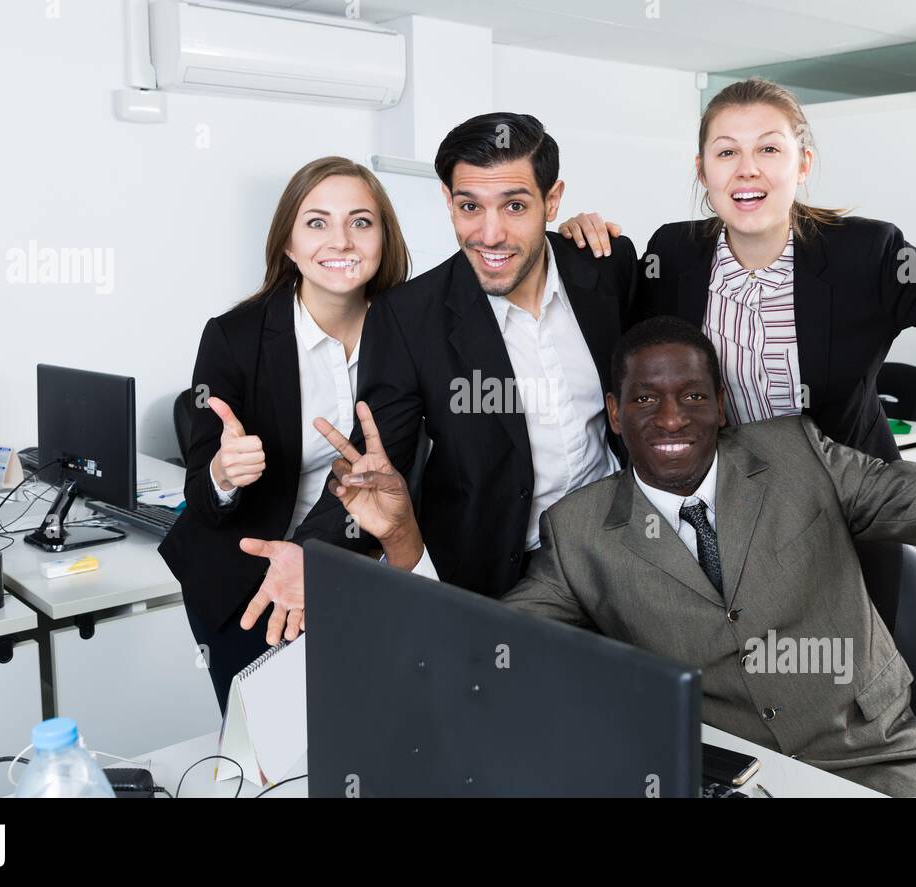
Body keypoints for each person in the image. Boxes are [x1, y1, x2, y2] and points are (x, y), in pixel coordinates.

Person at [254, 275, 916, 797]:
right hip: (716, 778)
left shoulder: (797, 454)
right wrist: (404, 540)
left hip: (871, 768)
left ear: (723, 406)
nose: (672, 417)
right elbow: (497, 652)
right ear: (616, 419)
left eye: (694, 396)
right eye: (645, 401)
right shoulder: (582, 529)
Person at [559, 77, 916, 629]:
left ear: (802, 162)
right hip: (713, 518)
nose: (747, 167)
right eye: (726, 151)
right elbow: (628, 366)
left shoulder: (869, 253)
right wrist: (580, 242)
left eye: (769, 148)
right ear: (702, 170)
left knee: (853, 687)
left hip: (842, 515)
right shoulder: (673, 252)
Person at [239, 113, 639, 645]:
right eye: (470, 206)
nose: (490, 234)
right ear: (449, 202)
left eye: (515, 205)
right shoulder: (409, 317)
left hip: (617, 553)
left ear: (554, 199)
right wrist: (312, 554)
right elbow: (377, 461)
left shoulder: (607, 268)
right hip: (495, 574)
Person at [158, 156, 410, 712]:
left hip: (356, 567)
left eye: (361, 222)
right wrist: (223, 474)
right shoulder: (233, 337)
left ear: (384, 239)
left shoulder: (412, 332)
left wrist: (570, 234)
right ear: (289, 247)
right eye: (316, 223)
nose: (340, 240)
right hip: (247, 580)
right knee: (266, 755)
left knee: (362, 739)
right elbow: (201, 495)